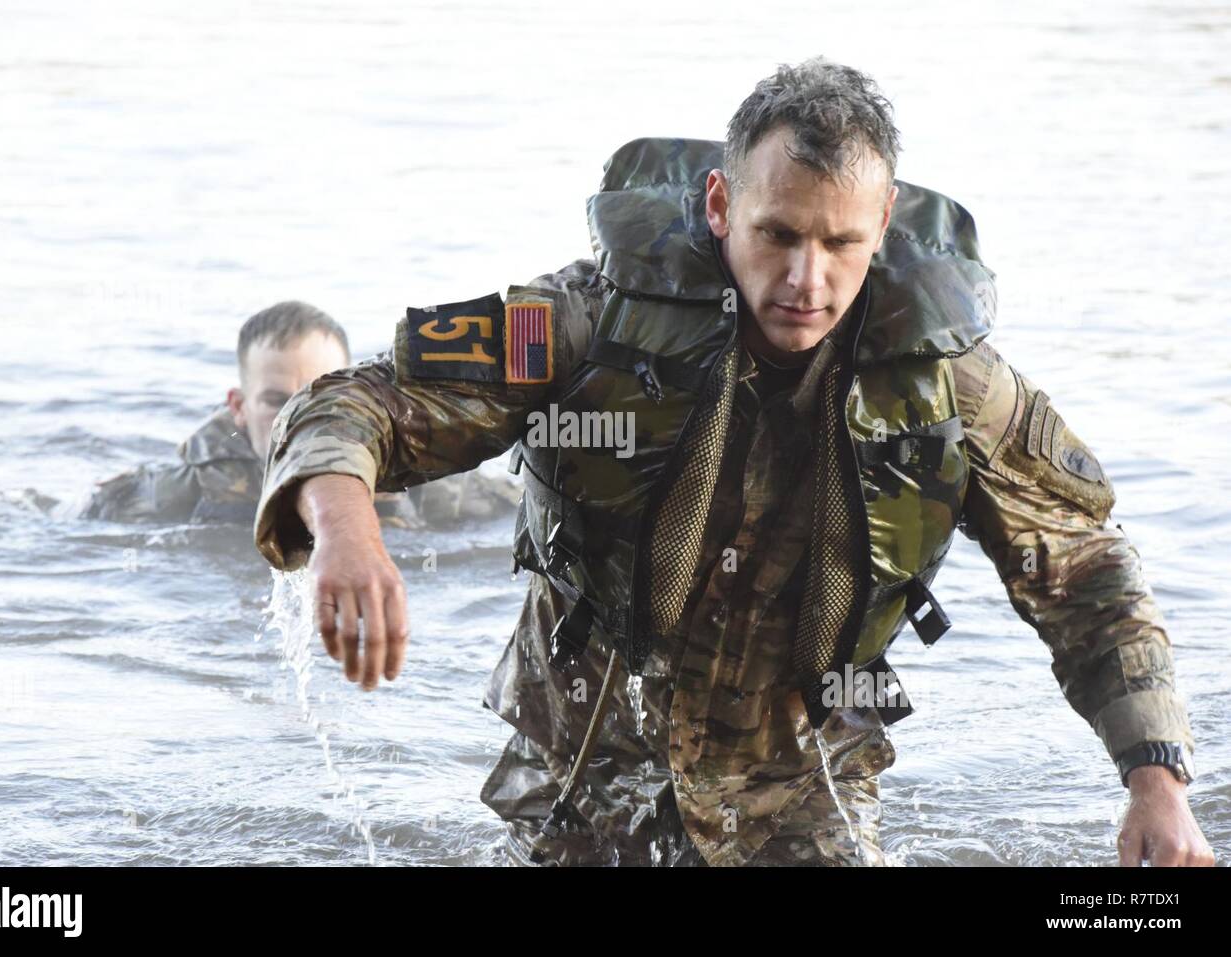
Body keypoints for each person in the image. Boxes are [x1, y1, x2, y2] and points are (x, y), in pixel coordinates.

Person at [249, 59, 1212, 867]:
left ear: (881, 232)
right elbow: (356, 399)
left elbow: (1086, 569)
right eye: (779, 234)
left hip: (808, 781)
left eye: (841, 244)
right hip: (588, 767)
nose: (806, 278)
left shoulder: (952, 384)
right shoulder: (593, 319)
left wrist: (1158, 783)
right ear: (720, 205)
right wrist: (346, 525)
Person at [80, 301, 519, 528]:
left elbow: (518, 521)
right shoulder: (175, 492)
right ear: (238, 407)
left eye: (319, 400)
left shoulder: (435, 489)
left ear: (358, 398)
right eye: (275, 401)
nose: (297, 420)